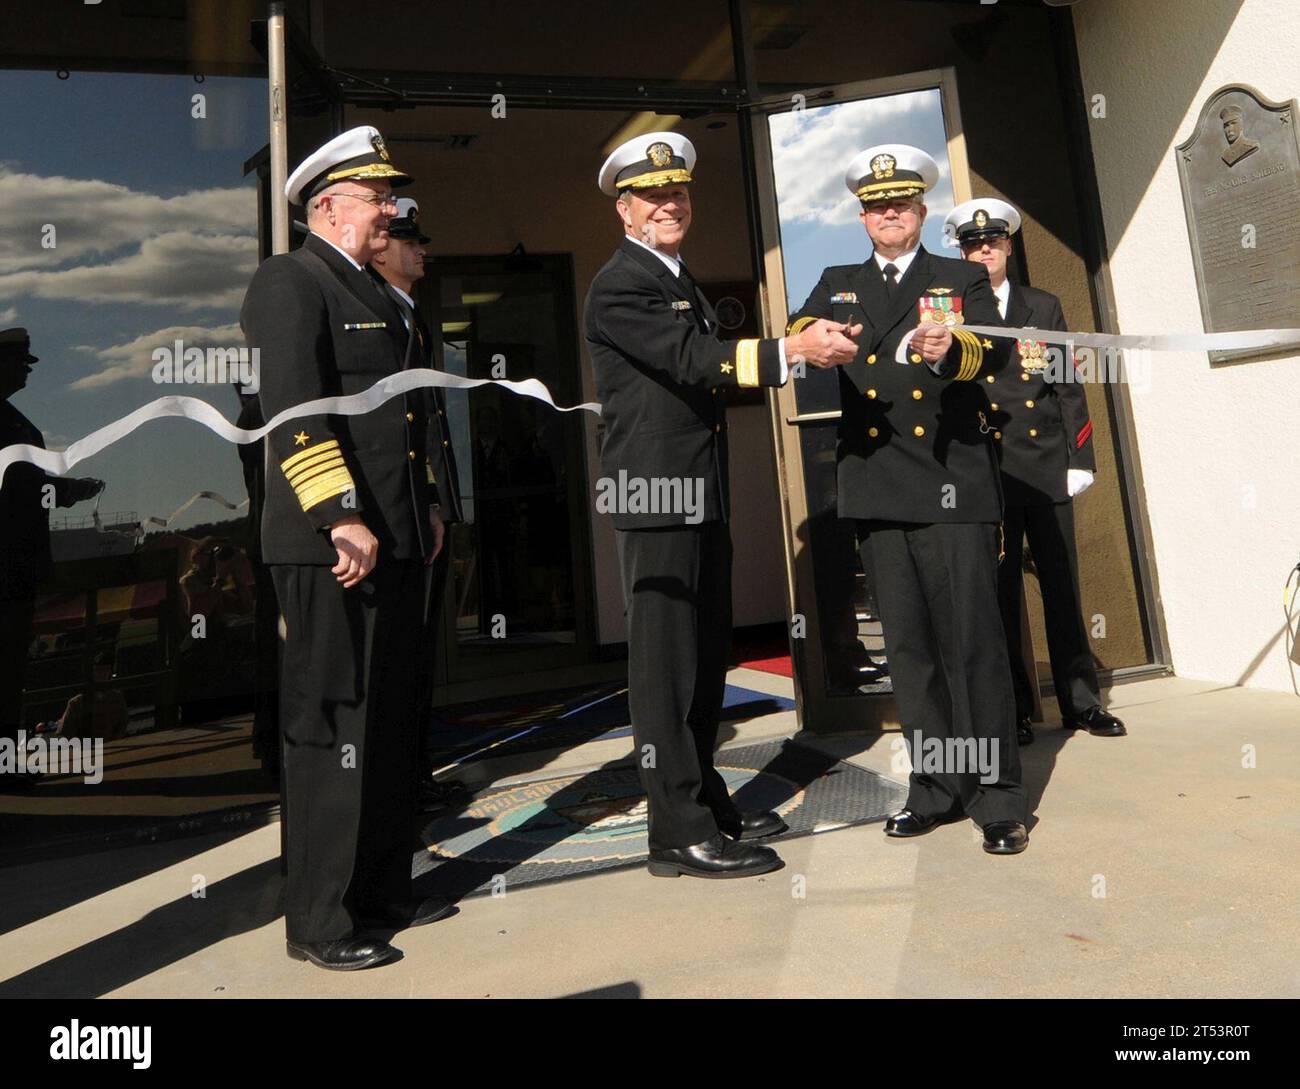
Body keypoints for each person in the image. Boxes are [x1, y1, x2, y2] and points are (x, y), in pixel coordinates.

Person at [585, 131, 860, 877]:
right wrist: (792, 352)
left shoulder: (677, 276)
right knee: (667, 665)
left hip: (695, 492)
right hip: (654, 494)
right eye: (653, 196)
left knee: (705, 659)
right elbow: (691, 360)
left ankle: (705, 800)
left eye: (678, 192)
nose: (670, 204)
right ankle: (676, 831)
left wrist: (793, 340)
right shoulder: (621, 283)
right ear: (625, 210)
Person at [240, 126, 451, 972]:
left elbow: (405, 415)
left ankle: (382, 890)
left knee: (392, 719)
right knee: (331, 726)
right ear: (327, 205)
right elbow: (294, 410)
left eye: (391, 201)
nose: (391, 213)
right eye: (376, 200)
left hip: (395, 539)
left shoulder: (371, 285)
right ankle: (319, 917)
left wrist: (426, 505)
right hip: (331, 543)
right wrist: (337, 512)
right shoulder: (291, 281)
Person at [786, 146, 1029, 855]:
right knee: (911, 649)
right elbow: (801, 336)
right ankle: (934, 785)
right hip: (877, 485)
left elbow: (996, 351)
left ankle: (997, 795)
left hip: (952, 482)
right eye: (876, 205)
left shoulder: (957, 275)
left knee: (974, 645)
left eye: (902, 203)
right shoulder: (839, 282)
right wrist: (813, 339)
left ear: (921, 211)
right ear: (863, 217)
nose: (890, 214)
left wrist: (948, 349)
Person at [945, 198, 1125, 742]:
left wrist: (1079, 457)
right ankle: (1015, 709)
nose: (984, 251)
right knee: (998, 591)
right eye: (974, 245)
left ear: (1007, 247)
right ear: (962, 251)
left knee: (1061, 587)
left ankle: (1081, 702)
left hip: (1045, 465)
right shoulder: (950, 312)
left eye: (993, 243)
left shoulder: (1041, 306)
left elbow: (1067, 384)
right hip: (989, 471)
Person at [369, 197, 466, 807]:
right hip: (391, 510)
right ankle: (400, 780)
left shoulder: (410, 314)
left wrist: (436, 500)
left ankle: (415, 772)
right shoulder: (377, 312)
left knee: (417, 657)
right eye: (409, 239)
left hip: (419, 507)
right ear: (381, 249)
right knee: (394, 664)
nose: (420, 249)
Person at [0, 328, 104, 788]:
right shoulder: (8, 424)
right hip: (8, 566)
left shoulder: (13, 420)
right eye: (20, 362)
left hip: (15, 566)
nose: (25, 370)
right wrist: (67, 491)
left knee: (9, 667)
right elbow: (23, 486)